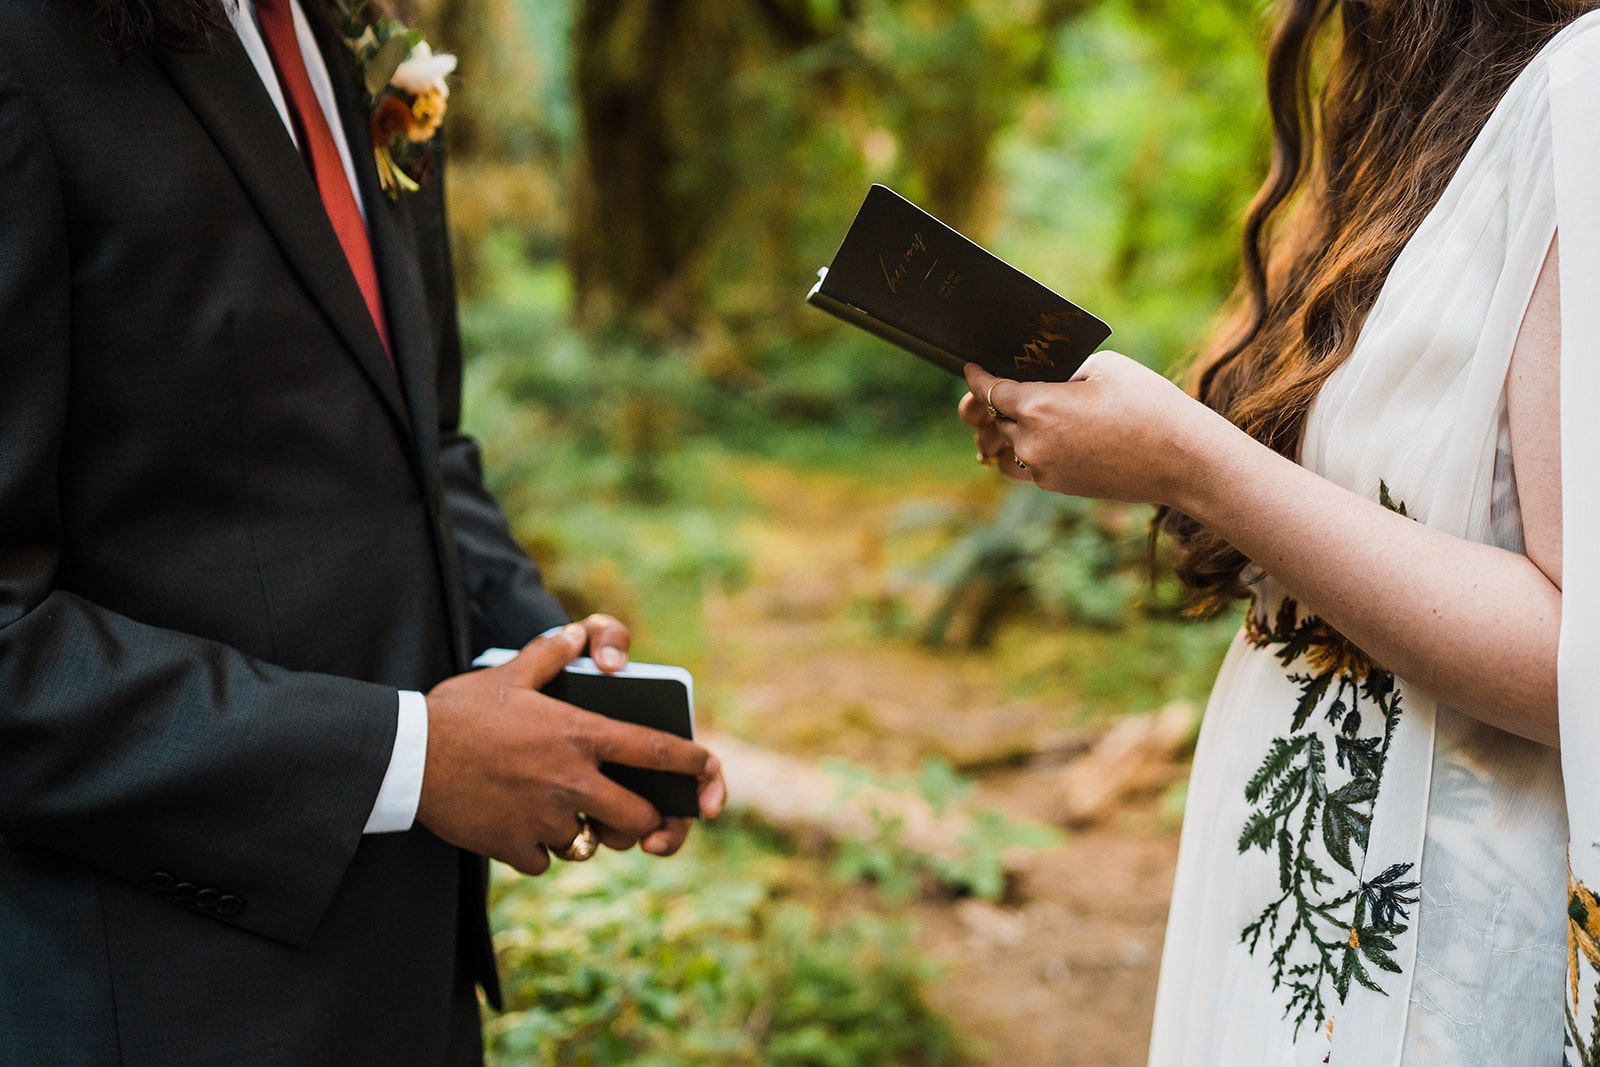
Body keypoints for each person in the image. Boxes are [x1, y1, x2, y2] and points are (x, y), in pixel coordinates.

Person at [0, 0, 725, 1063]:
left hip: (411, 976)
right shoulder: (25, 51)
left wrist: (551, 666)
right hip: (177, 1002)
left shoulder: (358, 36)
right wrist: (409, 760)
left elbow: (421, 446)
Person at [961, 2, 1600, 1062]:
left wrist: (1191, 461)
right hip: (1287, 883)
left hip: (1435, 943)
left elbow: (1576, 659)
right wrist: (1132, 449)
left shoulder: (1587, 89)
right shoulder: (1425, 106)